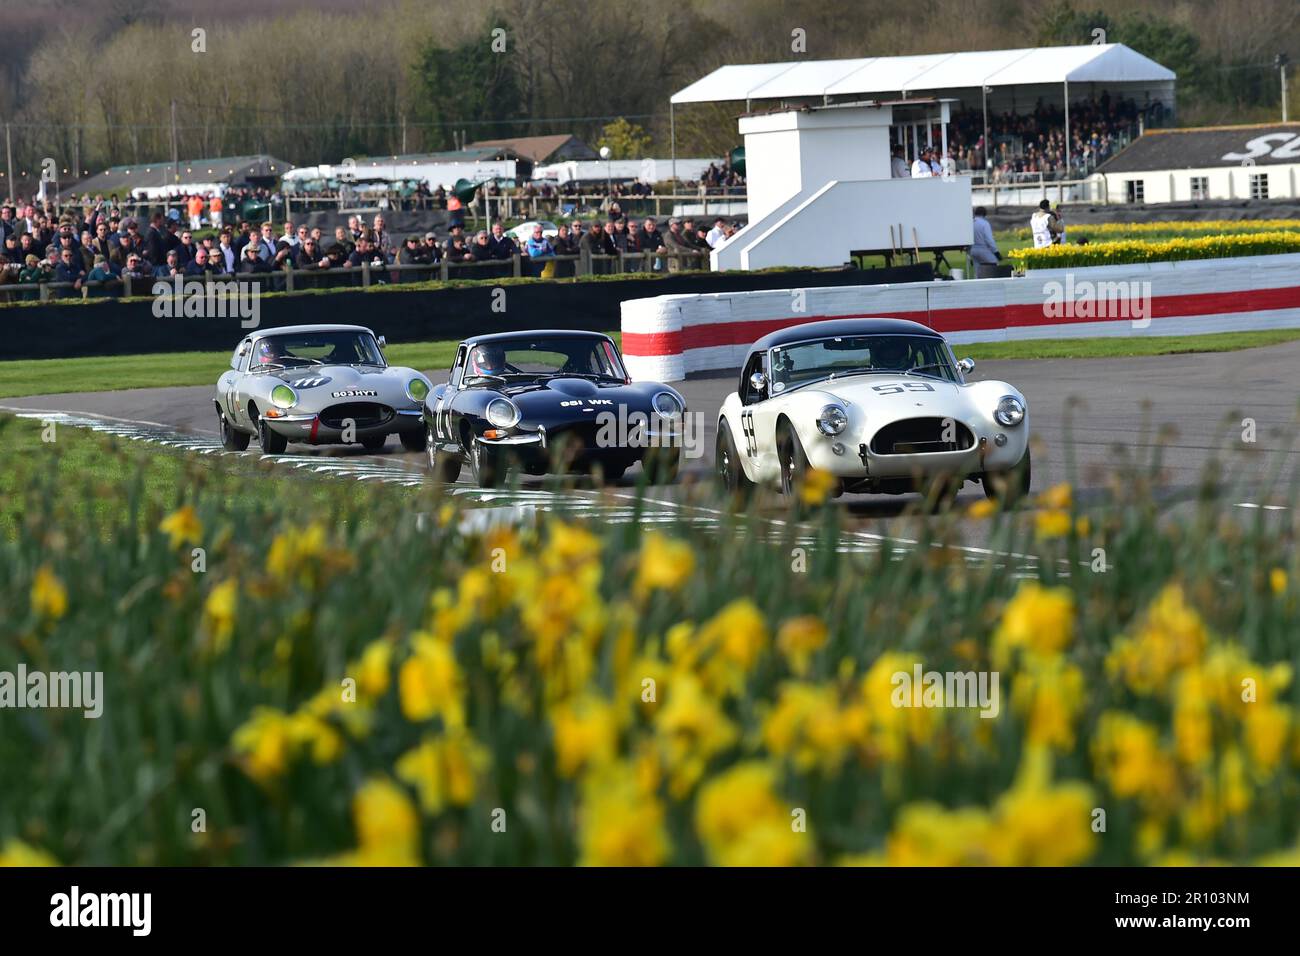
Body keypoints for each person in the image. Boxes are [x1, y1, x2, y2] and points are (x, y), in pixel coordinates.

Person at [969, 206, 1001, 278]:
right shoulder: (985, 223)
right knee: (994, 263)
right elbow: (989, 240)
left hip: (973, 250)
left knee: (977, 271)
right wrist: (996, 252)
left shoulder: (971, 223)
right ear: (984, 214)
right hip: (983, 249)